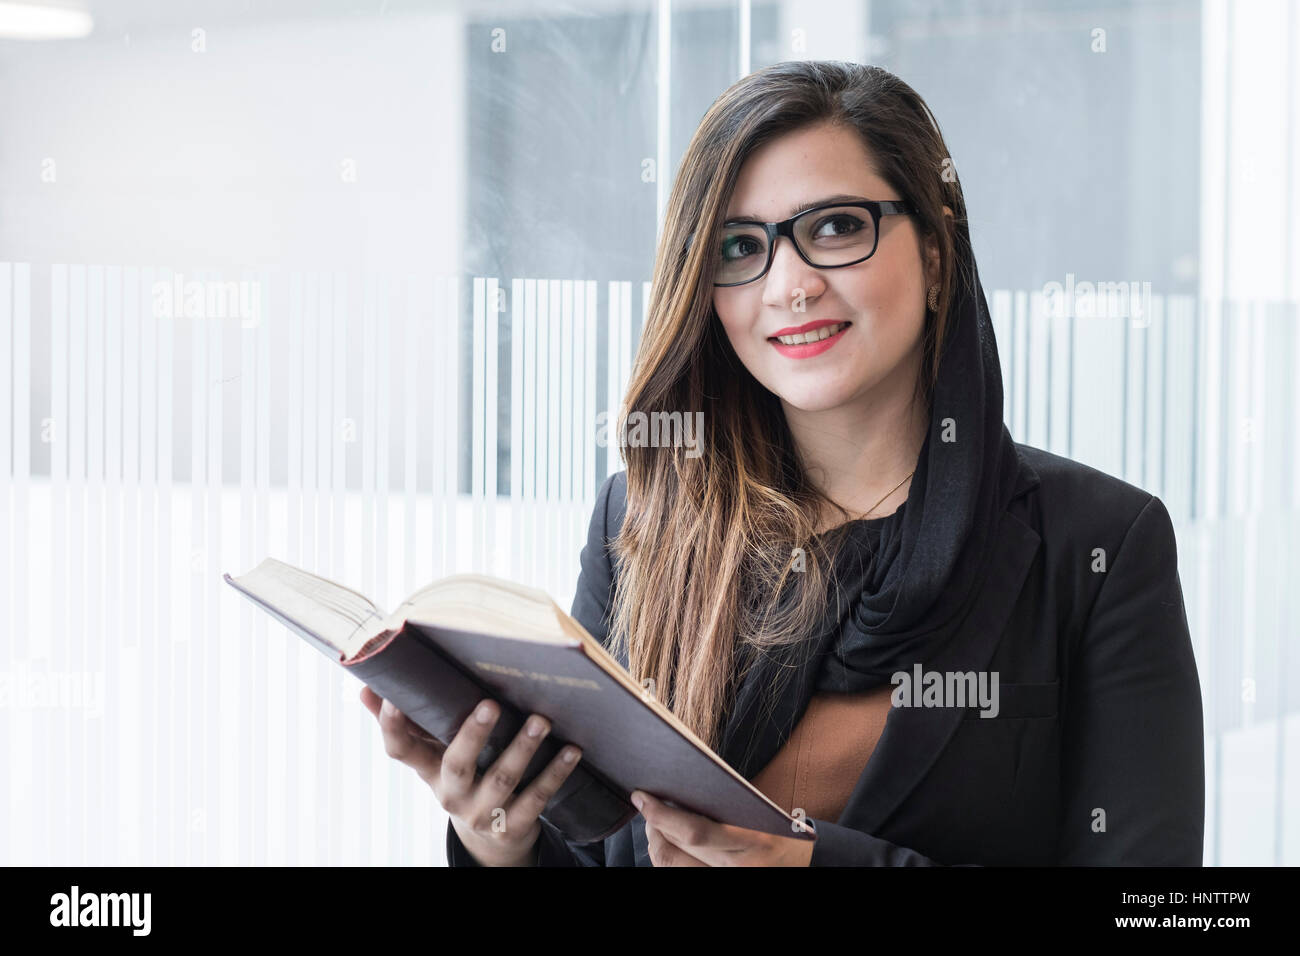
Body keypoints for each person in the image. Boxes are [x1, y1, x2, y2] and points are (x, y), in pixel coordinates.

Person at [363, 60, 1205, 866]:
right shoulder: (642, 518)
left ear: (938, 261)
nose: (789, 283)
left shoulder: (1097, 544)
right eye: (739, 248)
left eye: (836, 227)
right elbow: (598, 853)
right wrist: (497, 839)